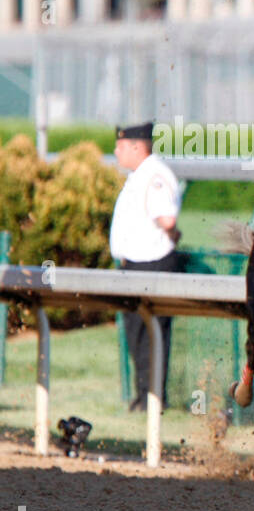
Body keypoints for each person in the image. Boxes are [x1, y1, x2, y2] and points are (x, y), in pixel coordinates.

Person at [109, 121, 183, 412]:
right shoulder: (140, 174)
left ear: (137, 147)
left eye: (120, 146)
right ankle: (143, 397)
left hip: (151, 265)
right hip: (136, 265)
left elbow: (167, 219)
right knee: (137, 334)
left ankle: (153, 398)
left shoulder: (155, 175)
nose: (116, 151)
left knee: (151, 334)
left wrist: (170, 231)